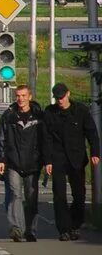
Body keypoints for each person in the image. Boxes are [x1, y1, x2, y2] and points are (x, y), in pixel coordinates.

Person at [43, 82, 101, 241]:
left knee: (79, 194)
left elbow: (91, 132)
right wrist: (47, 160)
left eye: (61, 97)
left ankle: (75, 224)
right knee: (59, 195)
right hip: (58, 158)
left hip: (77, 157)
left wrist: (95, 152)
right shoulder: (50, 112)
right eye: (57, 98)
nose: (59, 101)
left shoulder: (80, 110)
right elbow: (46, 138)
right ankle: (64, 229)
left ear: (68, 94)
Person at [0, 84, 45, 242]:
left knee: (31, 198)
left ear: (30, 97)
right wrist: (1, 159)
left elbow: (45, 140)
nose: (20, 99)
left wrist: (46, 160)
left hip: (32, 163)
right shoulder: (9, 116)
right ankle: (16, 229)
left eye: (23, 96)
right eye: (18, 96)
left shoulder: (39, 117)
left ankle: (30, 230)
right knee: (15, 195)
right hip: (13, 163)